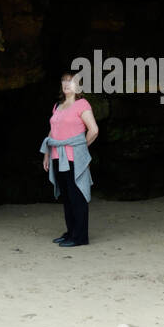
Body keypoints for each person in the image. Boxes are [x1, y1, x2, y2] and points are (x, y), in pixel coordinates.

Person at [39, 71, 99, 247]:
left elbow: (93, 130)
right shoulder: (58, 106)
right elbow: (52, 131)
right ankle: (71, 233)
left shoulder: (82, 104)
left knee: (77, 196)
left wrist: (81, 148)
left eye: (71, 82)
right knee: (66, 197)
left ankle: (80, 237)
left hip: (73, 158)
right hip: (58, 156)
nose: (67, 85)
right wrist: (47, 153)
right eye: (64, 82)